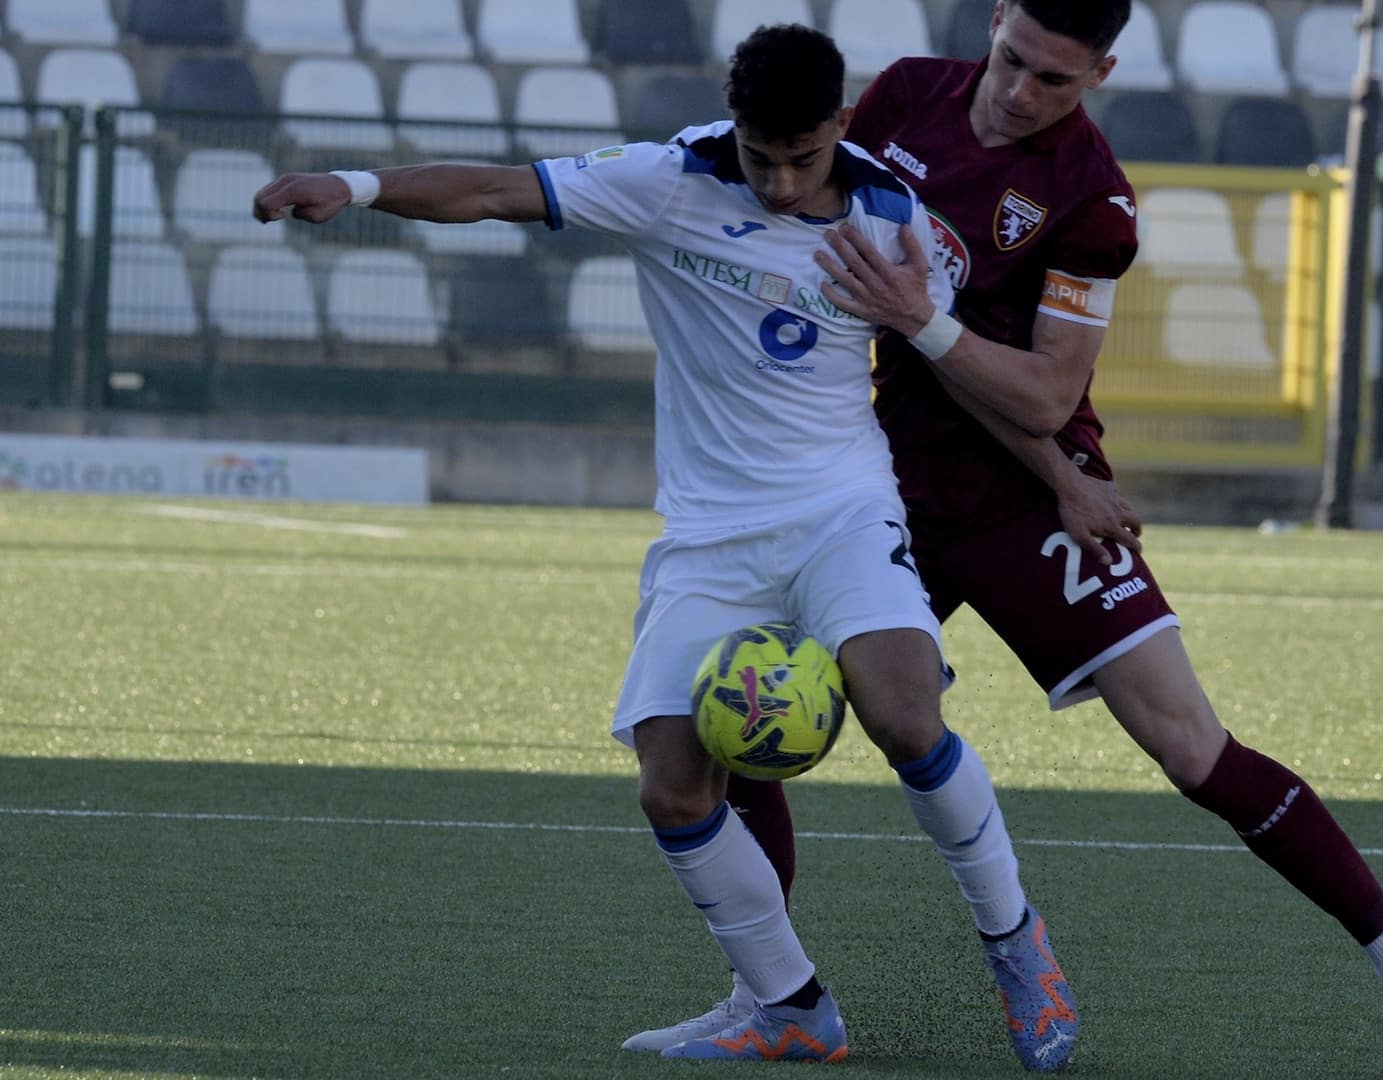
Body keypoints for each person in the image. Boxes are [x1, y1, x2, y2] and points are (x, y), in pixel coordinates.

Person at [636, 3, 1383, 1079]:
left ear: (1101, 74)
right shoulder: (900, 98)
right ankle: (770, 997)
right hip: (875, 489)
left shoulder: (1092, 197)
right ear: (994, 24)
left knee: (1190, 746)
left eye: (1054, 80)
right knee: (750, 706)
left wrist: (941, 344)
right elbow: (788, 202)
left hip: (1038, 499)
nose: (1020, 92)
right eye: (1012, 61)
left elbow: (1043, 394)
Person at [252, 24, 1079, 1071]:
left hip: (842, 510)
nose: (779, 184)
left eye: (802, 157)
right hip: (709, 537)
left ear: (839, 127)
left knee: (906, 714)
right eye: (760, 156)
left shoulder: (891, 215)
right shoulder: (666, 180)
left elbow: (959, 375)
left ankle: (1016, 943)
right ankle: (788, 1004)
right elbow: (495, 191)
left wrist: (1061, 474)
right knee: (673, 787)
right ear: (735, 128)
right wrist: (357, 184)